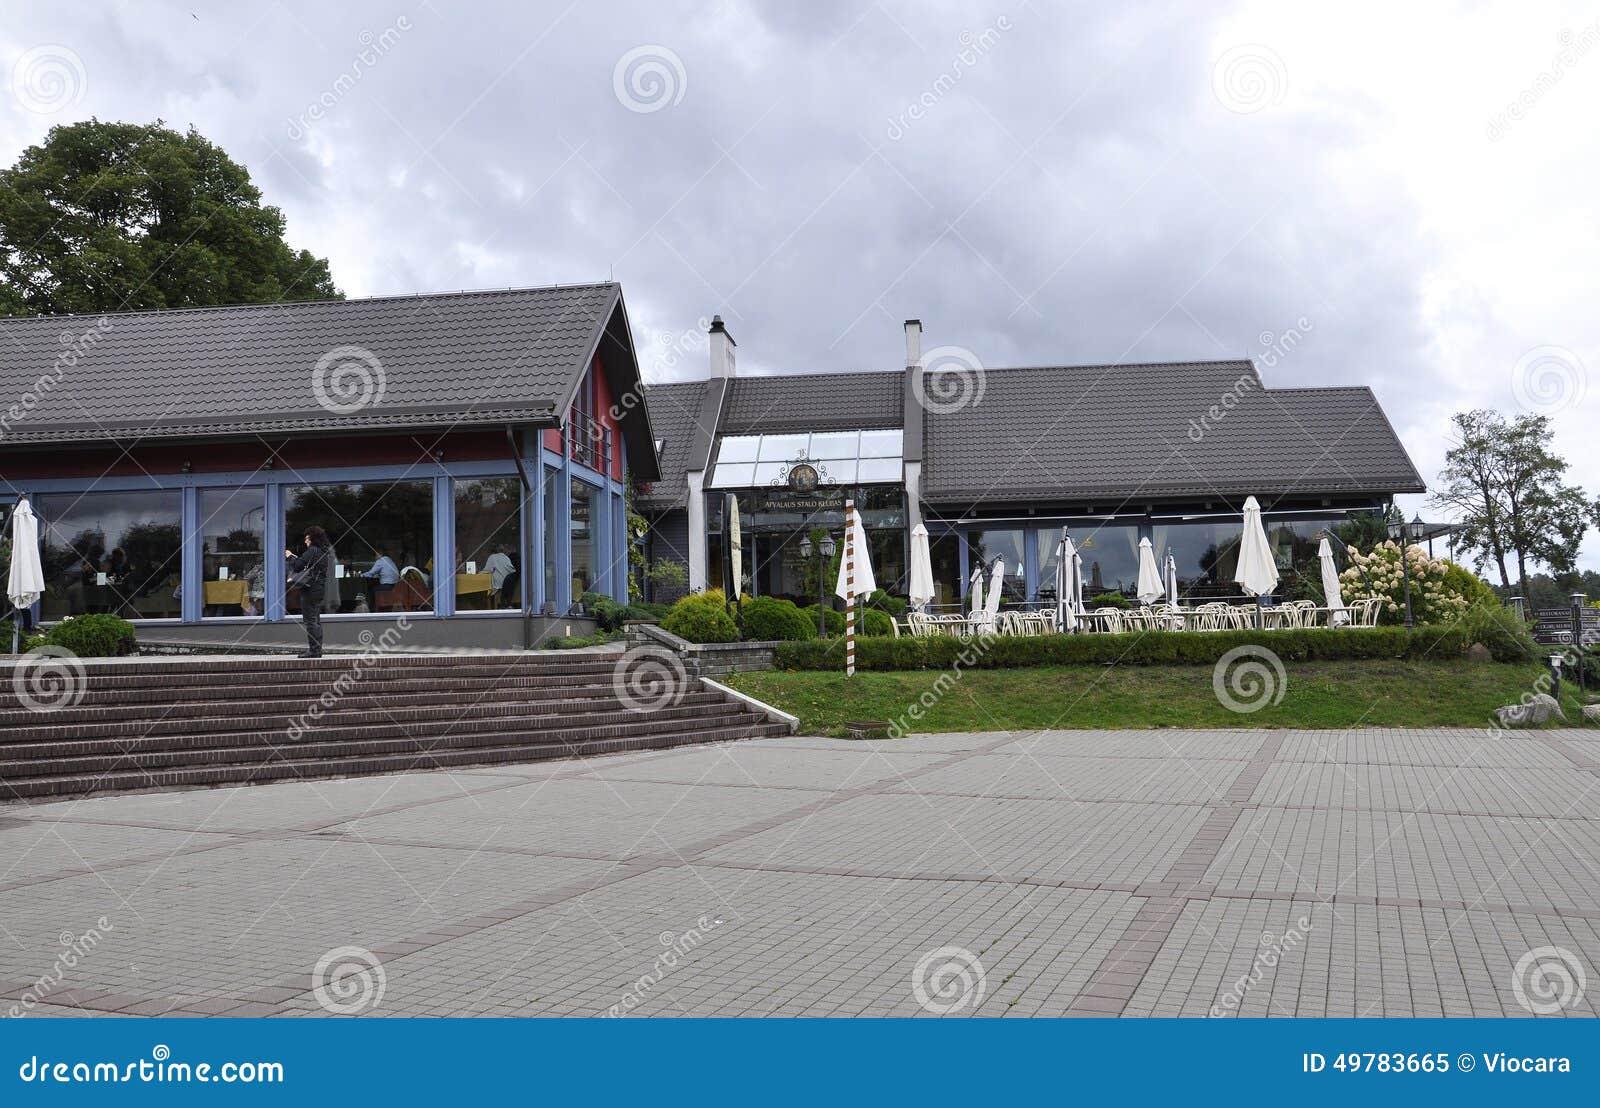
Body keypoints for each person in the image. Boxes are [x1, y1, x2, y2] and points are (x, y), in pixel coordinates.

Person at [286, 526, 333, 658]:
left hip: (310, 588)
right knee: (315, 619)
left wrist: (290, 556)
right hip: (319, 588)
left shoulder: (312, 550)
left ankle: (314, 651)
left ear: (312, 538)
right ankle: (317, 649)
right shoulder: (323, 552)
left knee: (310, 620)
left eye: (307, 538)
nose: (305, 541)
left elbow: (297, 566)